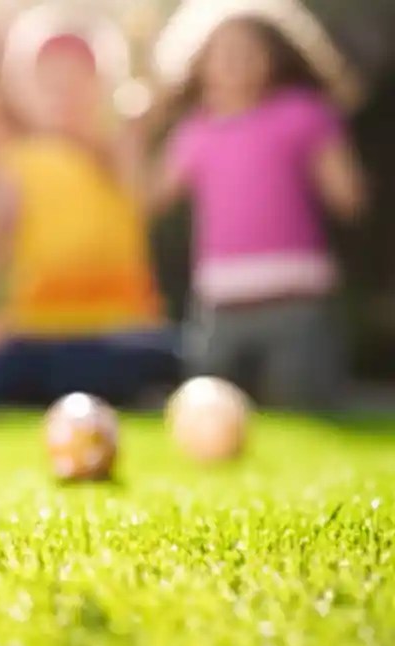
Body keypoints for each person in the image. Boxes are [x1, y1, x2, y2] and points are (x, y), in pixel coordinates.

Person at [0, 7, 177, 409]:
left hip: (122, 334)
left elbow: (142, 200)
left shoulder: (119, 152)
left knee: (148, 360)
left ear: (101, 84)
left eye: (76, 79)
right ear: (23, 90)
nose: (63, 92)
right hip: (40, 338)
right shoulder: (15, 162)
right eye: (48, 82)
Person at [153, 14, 365, 410]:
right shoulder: (194, 132)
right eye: (225, 52)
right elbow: (152, 200)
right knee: (207, 411)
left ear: (273, 57)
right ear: (201, 63)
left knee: (303, 411)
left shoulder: (303, 114)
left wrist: (332, 130)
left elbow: (349, 198)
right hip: (220, 305)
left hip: (297, 301)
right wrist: (133, 135)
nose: (237, 60)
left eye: (250, 50)